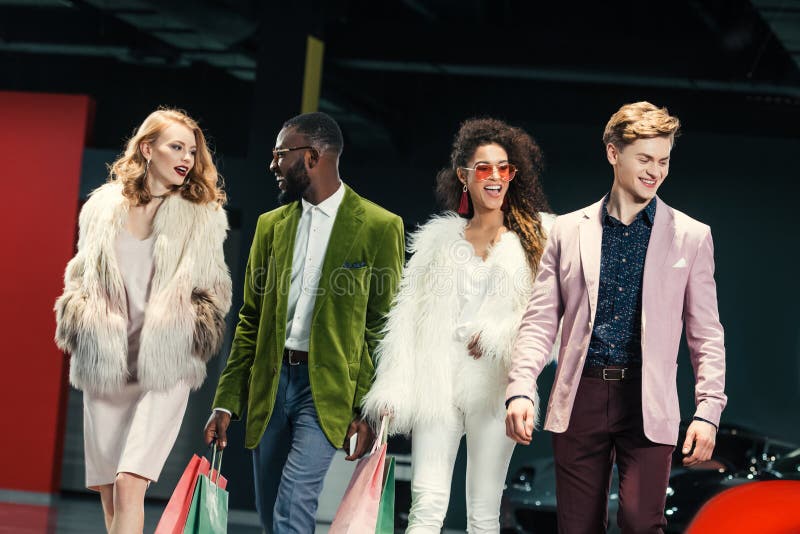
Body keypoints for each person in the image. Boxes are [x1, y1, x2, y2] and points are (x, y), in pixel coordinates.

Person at [505, 101, 727, 533]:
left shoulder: (692, 236)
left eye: (663, 161)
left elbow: (707, 335)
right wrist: (521, 389)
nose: (655, 171)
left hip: (648, 399)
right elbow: (540, 321)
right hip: (581, 395)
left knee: (641, 524)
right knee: (577, 527)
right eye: (644, 159)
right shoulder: (568, 230)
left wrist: (707, 411)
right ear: (613, 153)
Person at [203, 112, 405, 533]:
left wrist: (367, 410)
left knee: (294, 500)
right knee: (270, 509)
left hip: (325, 390)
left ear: (312, 156)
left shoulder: (379, 226)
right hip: (271, 384)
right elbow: (250, 320)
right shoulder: (270, 227)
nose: (272, 164)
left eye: (280, 154)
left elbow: (381, 328)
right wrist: (226, 400)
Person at [362, 118, 555, 533]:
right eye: (484, 168)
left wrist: (498, 335)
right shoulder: (437, 241)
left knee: (483, 513)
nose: (496, 177)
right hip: (437, 382)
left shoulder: (535, 241)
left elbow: (547, 319)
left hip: (493, 384)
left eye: (504, 168)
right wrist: (393, 387)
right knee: (426, 505)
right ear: (464, 175)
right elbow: (406, 319)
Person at [54, 108, 231, 533]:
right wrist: (82, 318)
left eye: (192, 150)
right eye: (176, 147)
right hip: (108, 365)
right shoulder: (101, 208)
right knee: (110, 493)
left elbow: (215, 289)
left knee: (129, 482)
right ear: (147, 149)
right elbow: (80, 276)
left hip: (164, 366)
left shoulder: (202, 214)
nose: (186, 158)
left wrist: (189, 332)